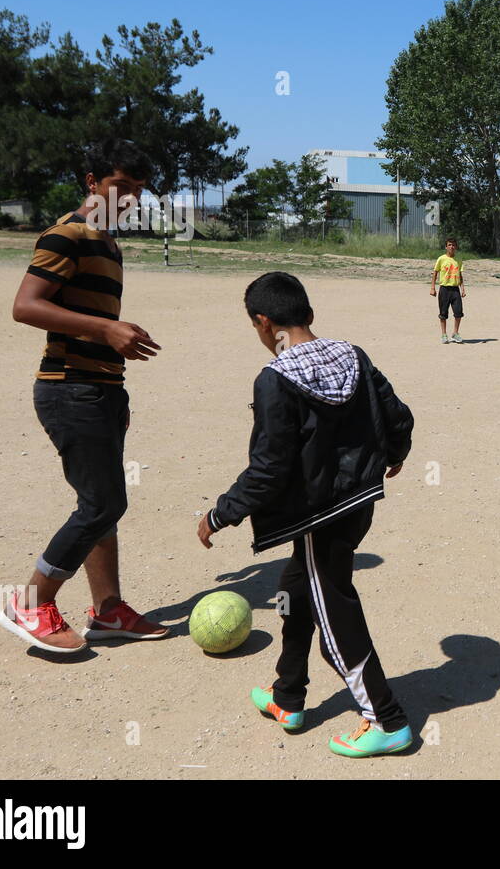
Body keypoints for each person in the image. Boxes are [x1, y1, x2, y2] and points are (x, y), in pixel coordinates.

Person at [198, 271, 416, 758]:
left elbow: (270, 466)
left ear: (262, 322)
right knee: (294, 591)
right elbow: (398, 414)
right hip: (359, 501)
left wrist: (221, 513)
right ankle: (287, 697)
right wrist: (395, 450)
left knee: (334, 608)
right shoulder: (354, 356)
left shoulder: (275, 380)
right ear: (309, 315)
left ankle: (388, 719)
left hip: (319, 516)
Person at [0, 139, 167, 654]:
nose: (130, 198)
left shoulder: (108, 244)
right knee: (103, 502)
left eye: (138, 190)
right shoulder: (67, 234)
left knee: (101, 504)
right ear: (93, 182)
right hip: (68, 390)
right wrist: (105, 330)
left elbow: (90, 323)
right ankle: (30, 600)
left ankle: (109, 610)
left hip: (101, 389)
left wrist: (115, 374)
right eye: (121, 186)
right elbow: (25, 306)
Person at [429, 237, 466, 343]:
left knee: (458, 313)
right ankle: (444, 334)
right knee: (443, 313)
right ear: (446, 247)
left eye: (453, 245)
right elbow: (435, 272)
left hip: (455, 289)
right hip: (444, 289)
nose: (452, 247)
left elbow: (460, 274)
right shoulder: (441, 259)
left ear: (456, 247)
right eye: (449, 245)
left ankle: (455, 333)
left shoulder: (458, 259)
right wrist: (432, 288)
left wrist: (463, 289)